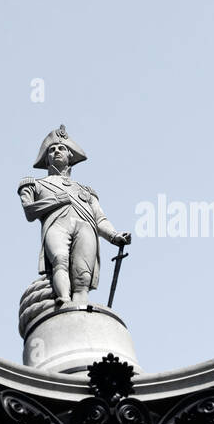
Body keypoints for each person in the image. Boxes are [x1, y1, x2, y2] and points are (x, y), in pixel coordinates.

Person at [18, 125, 131, 309]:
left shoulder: (86, 191)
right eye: (51, 150)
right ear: (46, 159)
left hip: (85, 227)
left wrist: (114, 236)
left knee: (82, 275)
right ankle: (64, 300)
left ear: (70, 154)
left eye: (61, 148)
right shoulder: (35, 185)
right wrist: (56, 200)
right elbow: (30, 211)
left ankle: (80, 308)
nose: (56, 152)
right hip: (56, 225)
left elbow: (99, 219)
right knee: (60, 260)